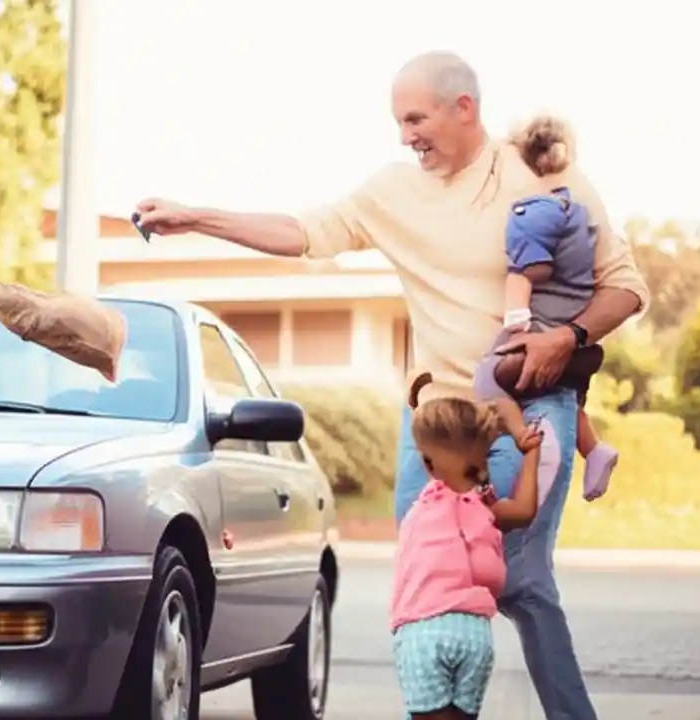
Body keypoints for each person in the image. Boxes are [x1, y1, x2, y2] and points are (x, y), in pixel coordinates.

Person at [134, 50, 650, 719]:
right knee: (429, 584)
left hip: (529, 408)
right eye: (399, 122)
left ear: (464, 107)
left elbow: (627, 287)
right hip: (437, 423)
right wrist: (198, 217)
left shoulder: (545, 173)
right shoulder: (393, 192)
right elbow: (303, 232)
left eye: (415, 118)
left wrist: (567, 337)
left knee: (519, 580)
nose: (405, 135)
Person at [473, 115, 618, 502]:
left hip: (542, 325)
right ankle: (595, 450)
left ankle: (531, 443)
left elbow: (527, 271)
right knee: (569, 399)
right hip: (572, 323)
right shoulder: (580, 212)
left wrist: (517, 327)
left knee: (487, 377)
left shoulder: (532, 210)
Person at [391, 370, 546, 720]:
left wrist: (414, 403)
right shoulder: (483, 505)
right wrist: (528, 447)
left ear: (427, 463)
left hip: (422, 631)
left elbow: (434, 449)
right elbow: (524, 510)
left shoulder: (427, 502)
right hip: (474, 635)